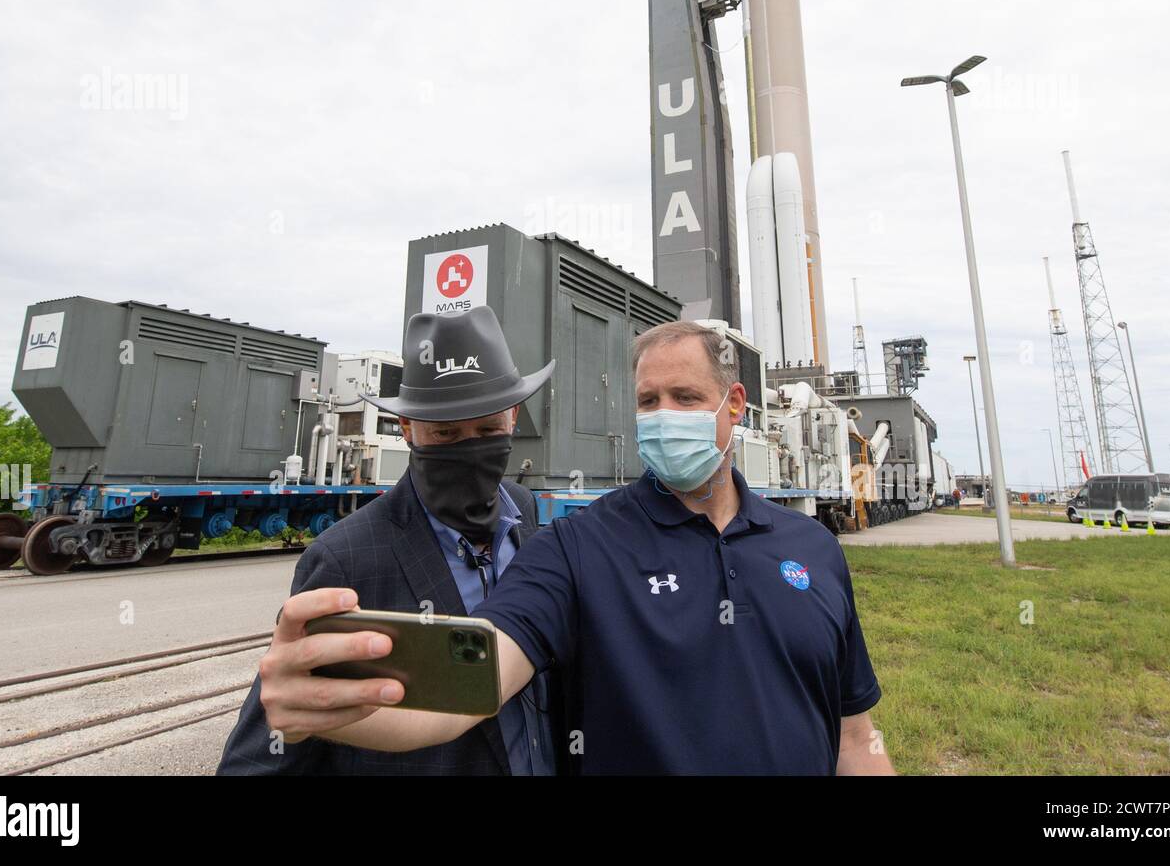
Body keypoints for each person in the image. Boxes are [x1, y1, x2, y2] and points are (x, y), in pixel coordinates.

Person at [254, 319, 893, 775]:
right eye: (648, 401)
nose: (664, 415)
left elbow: (855, 738)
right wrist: (321, 710)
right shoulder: (579, 544)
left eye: (685, 398)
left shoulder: (814, 548)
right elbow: (477, 676)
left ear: (734, 405)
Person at [217, 305, 559, 775]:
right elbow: (260, 758)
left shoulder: (527, 514)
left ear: (514, 417)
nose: (468, 447)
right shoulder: (345, 559)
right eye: (446, 433)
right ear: (407, 428)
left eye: (486, 429)